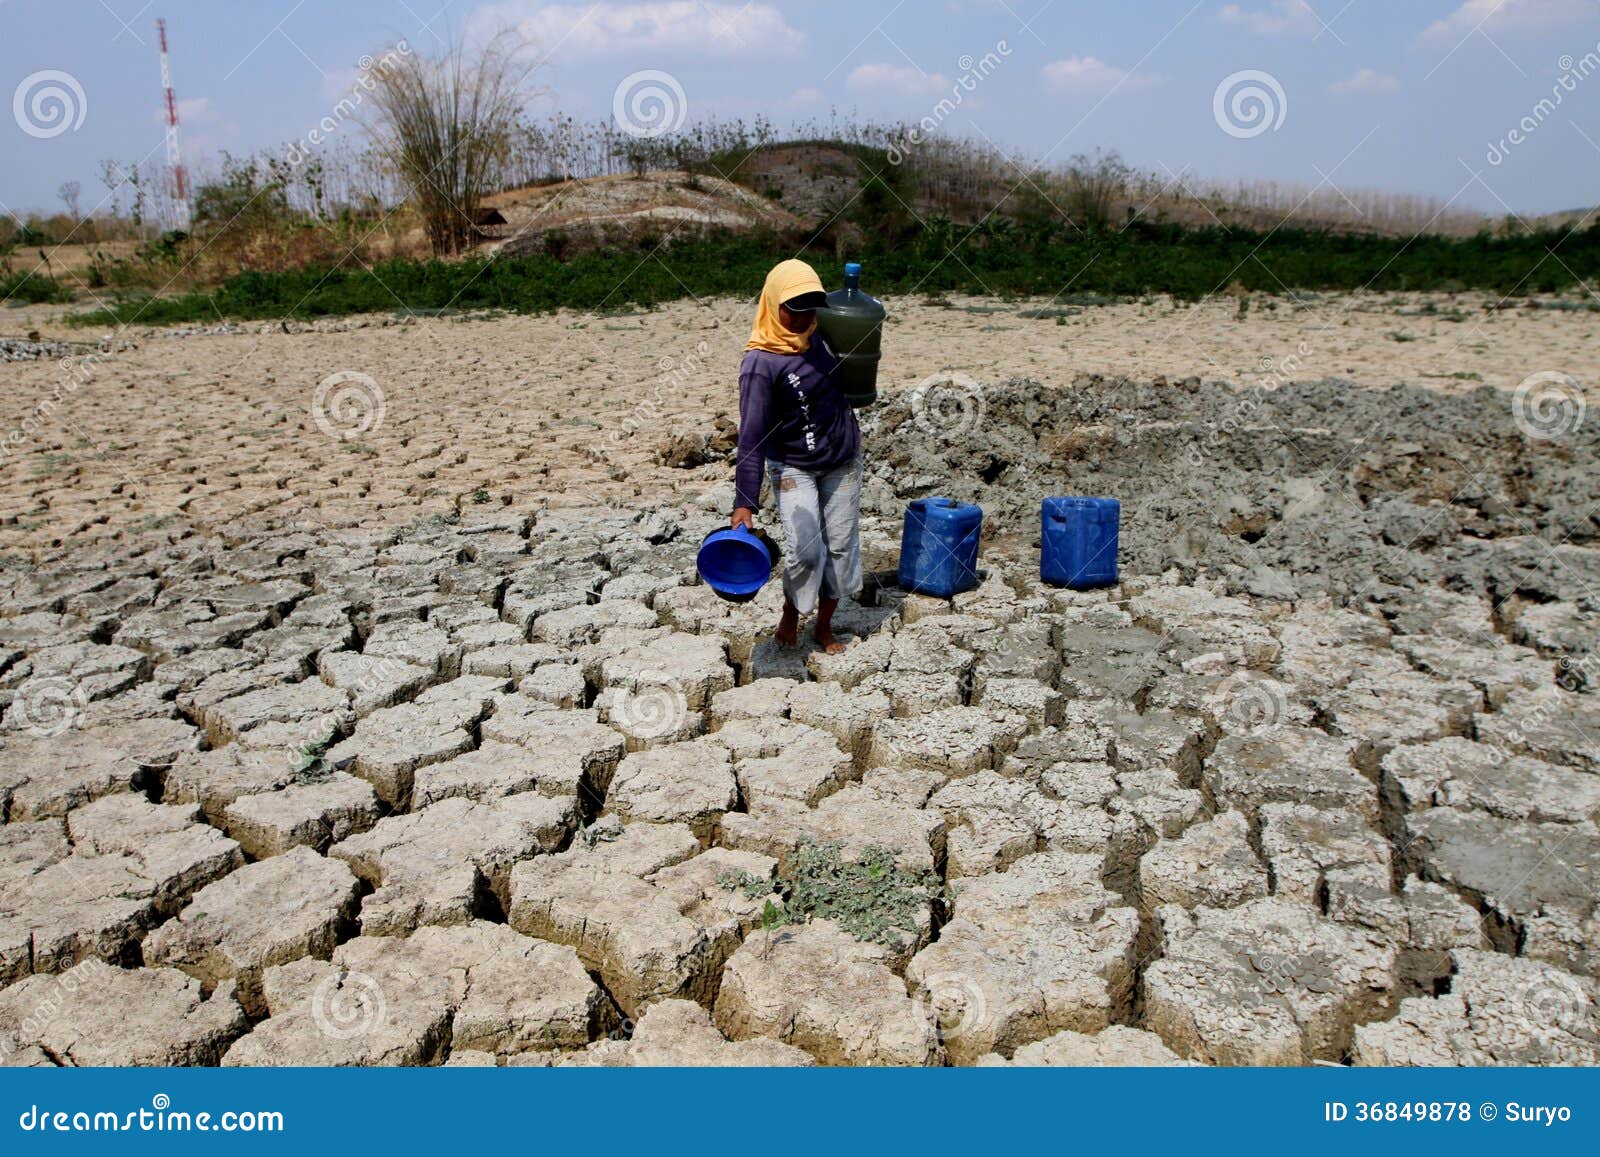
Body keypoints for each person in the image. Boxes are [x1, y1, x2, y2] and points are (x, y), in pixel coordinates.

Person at [732, 258, 862, 654]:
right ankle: (793, 610)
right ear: (773, 304)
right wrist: (744, 504)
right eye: (794, 306)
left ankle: (824, 626)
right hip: (793, 465)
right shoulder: (760, 364)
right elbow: (751, 437)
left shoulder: (820, 335)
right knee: (807, 549)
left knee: (840, 548)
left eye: (811, 305)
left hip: (842, 459)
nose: (803, 315)